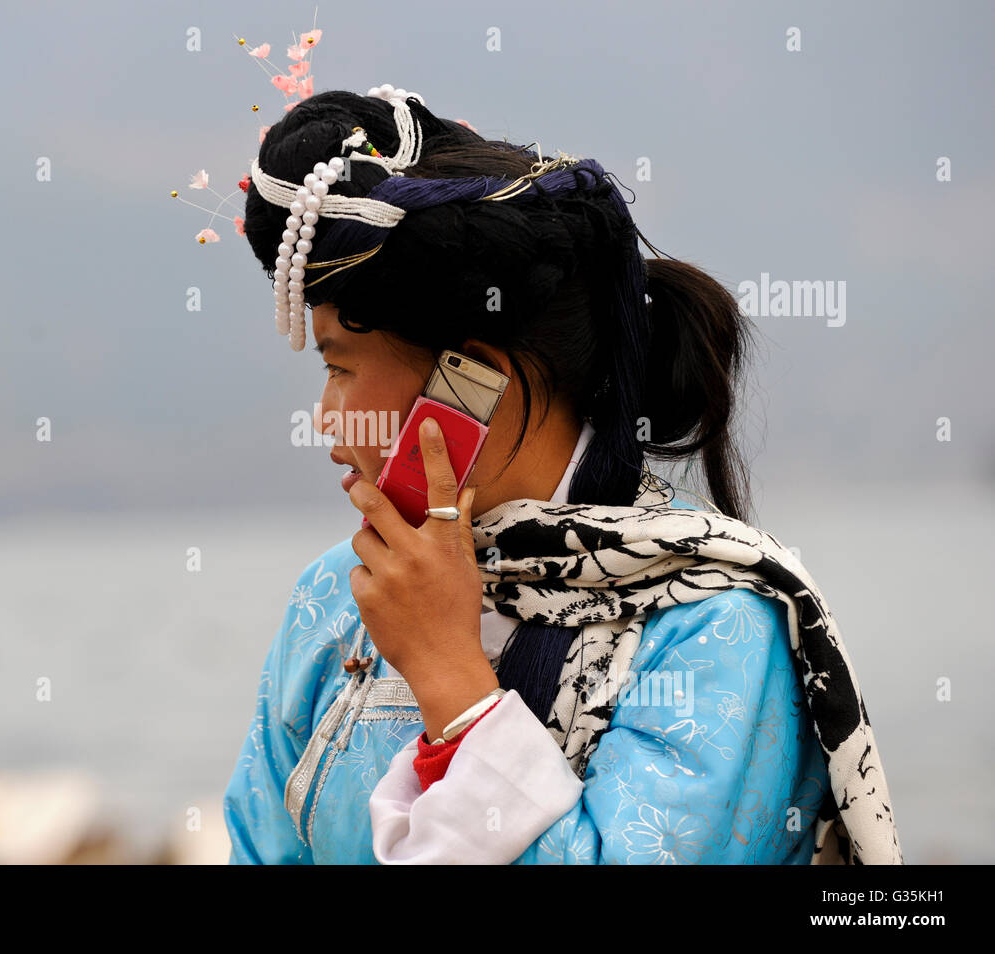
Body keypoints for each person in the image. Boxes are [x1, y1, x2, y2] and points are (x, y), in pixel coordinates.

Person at [221, 85, 903, 864]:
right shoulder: (335, 598)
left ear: (469, 380)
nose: (328, 420)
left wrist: (451, 679)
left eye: (339, 368)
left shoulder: (715, 631)